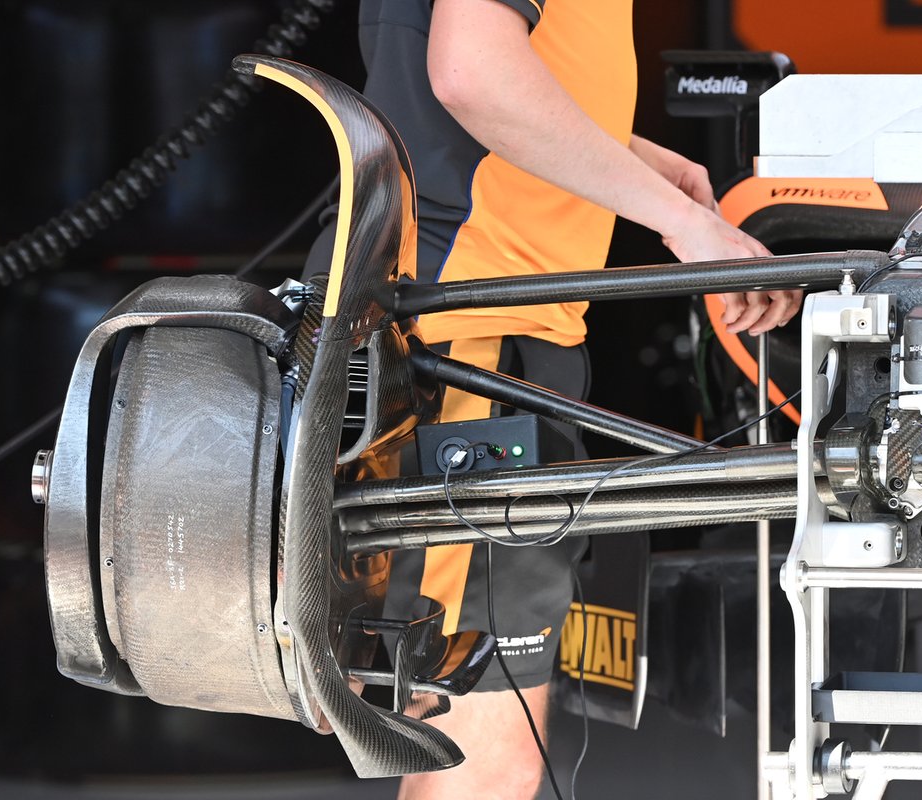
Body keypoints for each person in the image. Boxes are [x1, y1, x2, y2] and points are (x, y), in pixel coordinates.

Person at [319, 1, 803, 797]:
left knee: (473, 730)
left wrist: (639, 166)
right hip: (468, 337)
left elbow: (468, 88)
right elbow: (471, 74)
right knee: (478, 750)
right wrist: (679, 220)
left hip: (480, 331)